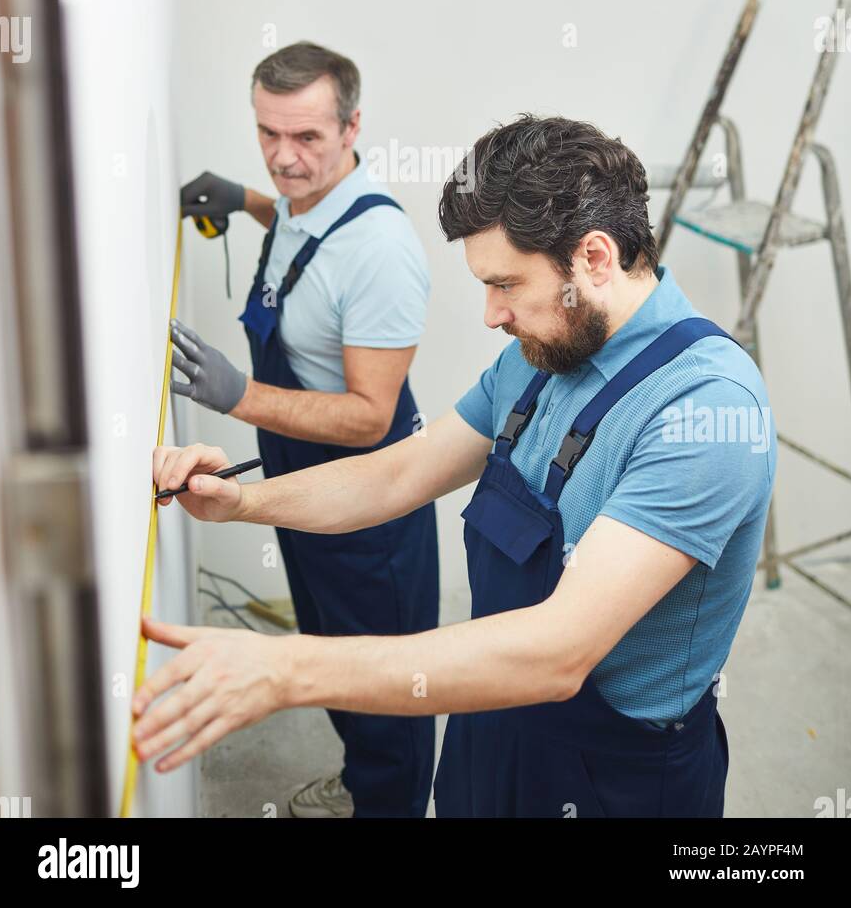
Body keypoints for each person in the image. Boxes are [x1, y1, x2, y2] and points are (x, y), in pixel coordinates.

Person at [140, 115, 776, 819]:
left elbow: (557, 651)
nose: (490, 314)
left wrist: (285, 670)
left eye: (505, 284)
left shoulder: (706, 410)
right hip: (489, 716)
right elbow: (398, 474)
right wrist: (244, 503)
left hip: (610, 776)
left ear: (594, 258)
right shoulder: (539, 359)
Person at [170, 41, 439, 819]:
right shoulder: (298, 198)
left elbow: (369, 416)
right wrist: (247, 199)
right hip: (300, 483)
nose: (284, 160)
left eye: (308, 138)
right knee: (326, 650)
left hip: (369, 508)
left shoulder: (380, 252)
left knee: (382, 681)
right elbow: (294, 217)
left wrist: (240, 394)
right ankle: (363, 780)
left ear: (354, 127)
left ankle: (388, 805)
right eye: (267, 134)